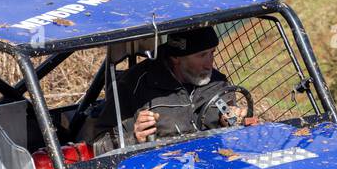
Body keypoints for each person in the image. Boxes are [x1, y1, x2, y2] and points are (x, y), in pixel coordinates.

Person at [91, 25, 250, 149]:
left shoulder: (218, 83)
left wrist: (233, 121)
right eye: (201, 56)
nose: (210, 64)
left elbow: (231, 135)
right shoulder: (134, 85)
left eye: (212, 53)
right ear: (176, 58)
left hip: (212, 168)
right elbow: (98, 145)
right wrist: (134, 137)